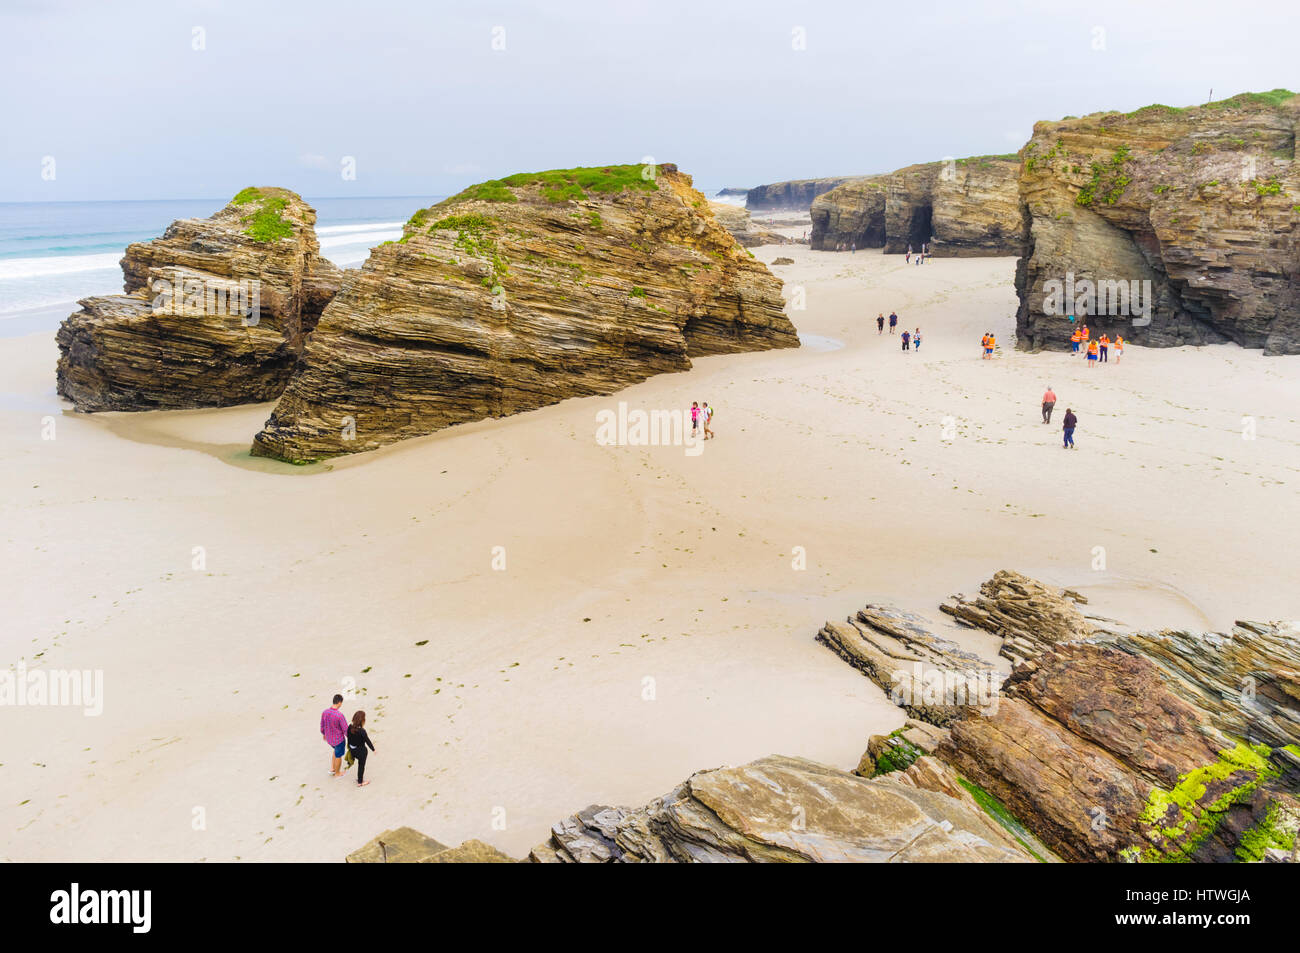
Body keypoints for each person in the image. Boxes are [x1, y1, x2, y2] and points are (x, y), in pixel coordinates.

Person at [320, 694, 348, 779]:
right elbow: (345, 729)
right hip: (338, 740)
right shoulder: (339, 715)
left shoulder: (325, 712)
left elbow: (322, 725)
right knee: (338, 755)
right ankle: (337, 773)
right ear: (339, 702)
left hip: (329, 739)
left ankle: (332, 768)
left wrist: (324, 734)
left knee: (335, 750)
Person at [347, 711, 376, 787]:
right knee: (361, 765)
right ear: (362, 721)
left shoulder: (349, 727)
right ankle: (360, 782)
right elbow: (367, 741)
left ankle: (359, 778)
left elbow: (349, 739)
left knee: (360, 764)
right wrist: (373, 749)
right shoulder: (362, 731)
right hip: (361, 752)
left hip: (352, 750)